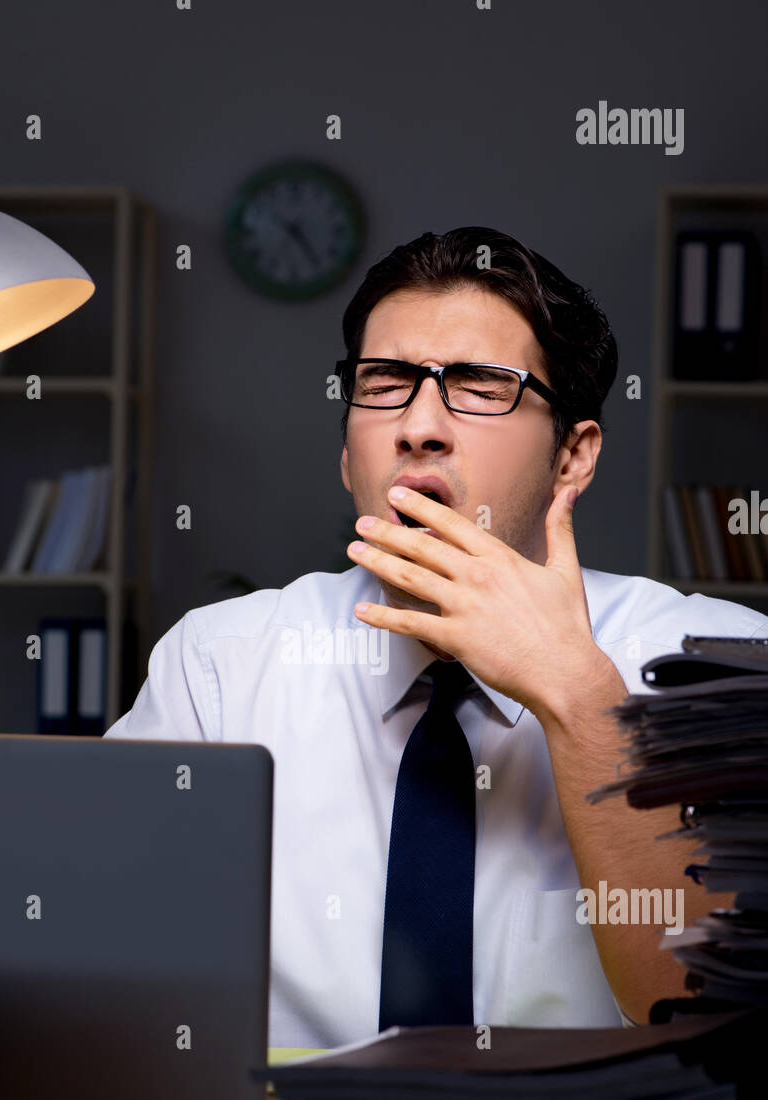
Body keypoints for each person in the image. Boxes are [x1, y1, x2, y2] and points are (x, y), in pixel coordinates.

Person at [103, 226, 768, 1044]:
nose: (419, 425)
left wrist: (577, 694)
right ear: (348, 454)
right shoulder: (218, 666)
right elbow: (107, 973)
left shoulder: (718, 665)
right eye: (383, 384)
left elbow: (709, 1015)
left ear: (572, 457)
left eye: (480, 385)